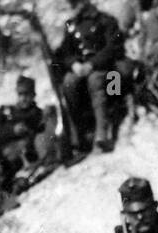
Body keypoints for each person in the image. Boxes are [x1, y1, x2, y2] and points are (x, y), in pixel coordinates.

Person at [55, 0, 126, 156]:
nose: (74, 6)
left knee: (95, 81)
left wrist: (92, 64)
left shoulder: (106, 20)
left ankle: (103, 135)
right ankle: (80, 138)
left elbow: (113, 48)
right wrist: (74, 64)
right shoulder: (71, 25)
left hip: (106, 69)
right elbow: (65, 52)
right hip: (82, 68)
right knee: (68, 83)